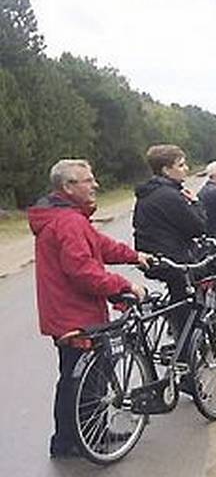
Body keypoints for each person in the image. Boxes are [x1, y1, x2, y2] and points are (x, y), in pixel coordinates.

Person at [29, 159, 149, 458]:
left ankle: (78, 437)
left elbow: (99, 245)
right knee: (83, 378)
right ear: (68, 187)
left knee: (77, 376)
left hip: (66, 310)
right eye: (87, 180)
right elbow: (82, 270)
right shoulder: (68, 222)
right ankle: (77, 441)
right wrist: (124, 285)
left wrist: (134, 256)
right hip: (75, 312)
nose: (95, 185)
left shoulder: (68, 218)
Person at [133, 144, 207, 340]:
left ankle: (177, 332)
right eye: (181, 165)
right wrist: (196, 203)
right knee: (188, 302)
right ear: (166, 170)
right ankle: (183, 352)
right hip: (173, 259)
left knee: (179, 298)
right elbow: (198, 227)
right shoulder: (170, 195)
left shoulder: (148, 193)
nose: (186, 168)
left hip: (152, 256)